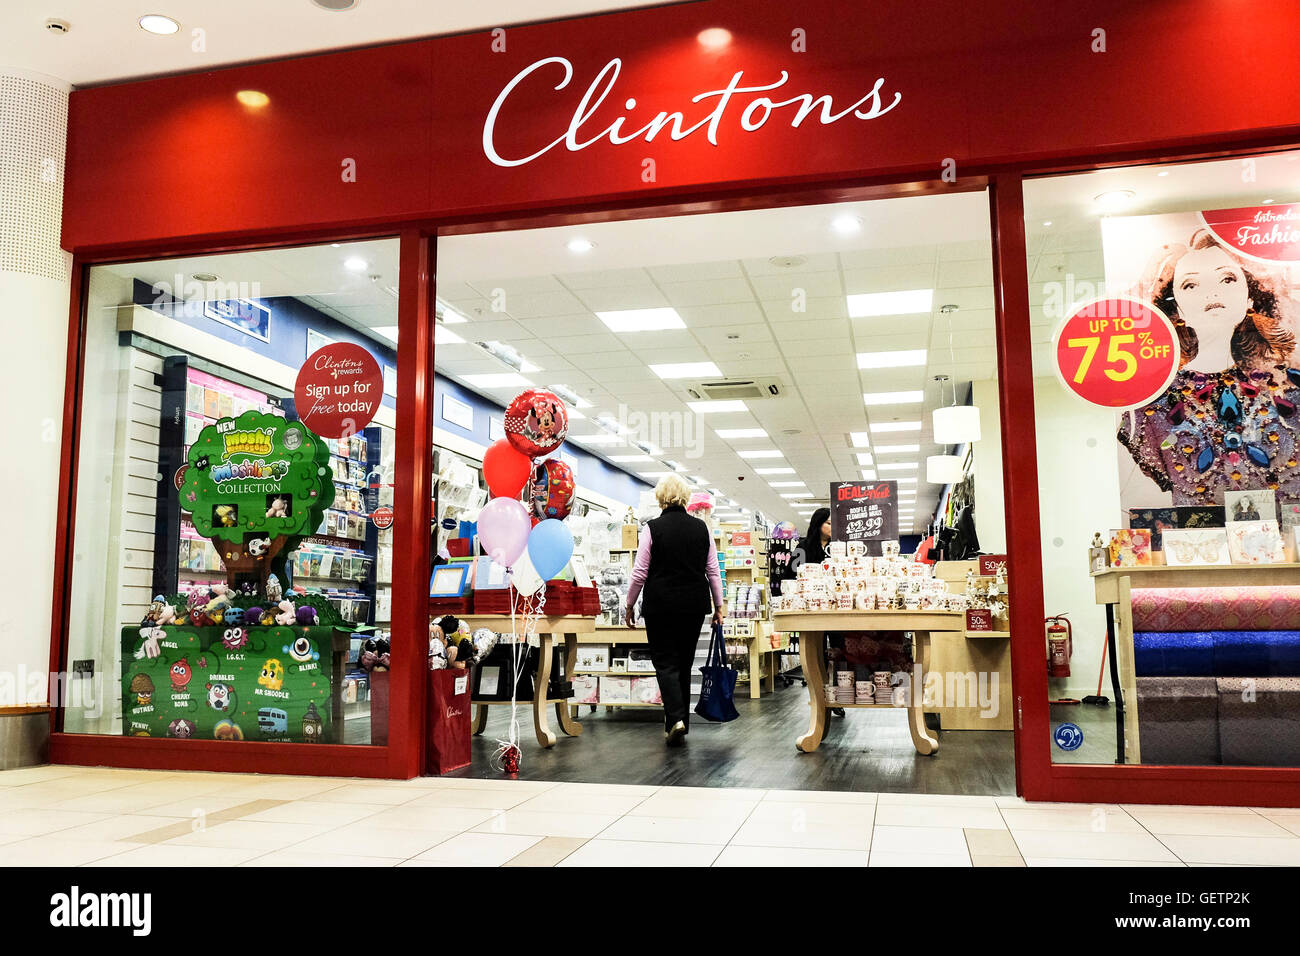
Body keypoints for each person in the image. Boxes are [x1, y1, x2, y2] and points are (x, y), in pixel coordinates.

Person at [1119, 228, 1300, 506]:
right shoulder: (1153, 405)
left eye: (1227, 279)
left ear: (1250, 296)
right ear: (1177, 308)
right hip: (1198, 546)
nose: (1212, 292)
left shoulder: (1290, 388)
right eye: (1191, 285)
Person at [625, 474, 724, 747]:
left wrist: (629, 603)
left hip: (660, 604)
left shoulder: (651, 528)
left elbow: (639, 573)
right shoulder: (702, 529)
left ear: (660, 498)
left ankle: (677, 718)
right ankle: (677, 724)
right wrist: (719, 606)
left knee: (665, 663)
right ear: (686, 497)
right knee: (682, 663)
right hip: (694, 605)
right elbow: (713, 571)